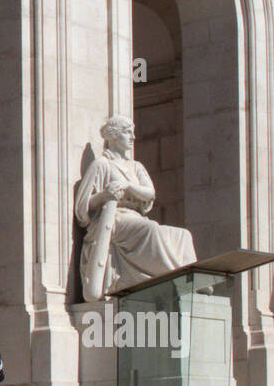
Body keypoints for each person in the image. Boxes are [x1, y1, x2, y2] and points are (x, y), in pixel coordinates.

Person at [74, 115, 196, 301]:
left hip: (135, 218)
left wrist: (128, 186)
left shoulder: (136, 166)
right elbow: (83, 207)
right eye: (128, 132)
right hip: (115, 218)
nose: (133, 137)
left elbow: (150, 193)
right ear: (113, 136)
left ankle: (191, 276)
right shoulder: (101, 165)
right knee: (151, 229)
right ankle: (177, 277)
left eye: (133, 132)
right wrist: (105, 195)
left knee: (182, 235)